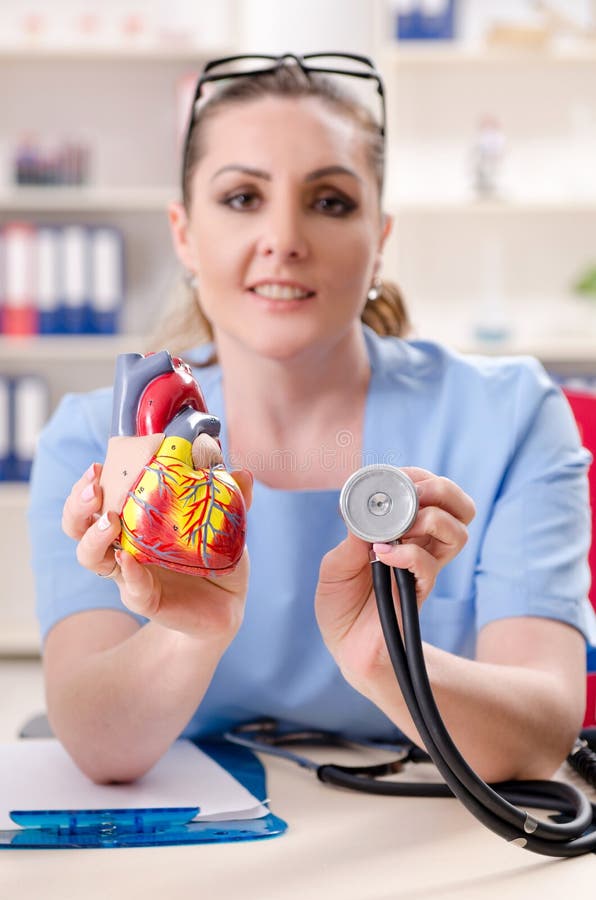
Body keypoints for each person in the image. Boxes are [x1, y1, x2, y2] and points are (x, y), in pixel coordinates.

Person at [29, 53, 595, 786]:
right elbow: (99, 744)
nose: (285, 238)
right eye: (241, 198)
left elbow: (538, 739)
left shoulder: (512, 416)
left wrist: (384, 658)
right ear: (183, 234)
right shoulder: (93, 439)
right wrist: (187, 634)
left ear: (380, 238)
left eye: (329, 202)